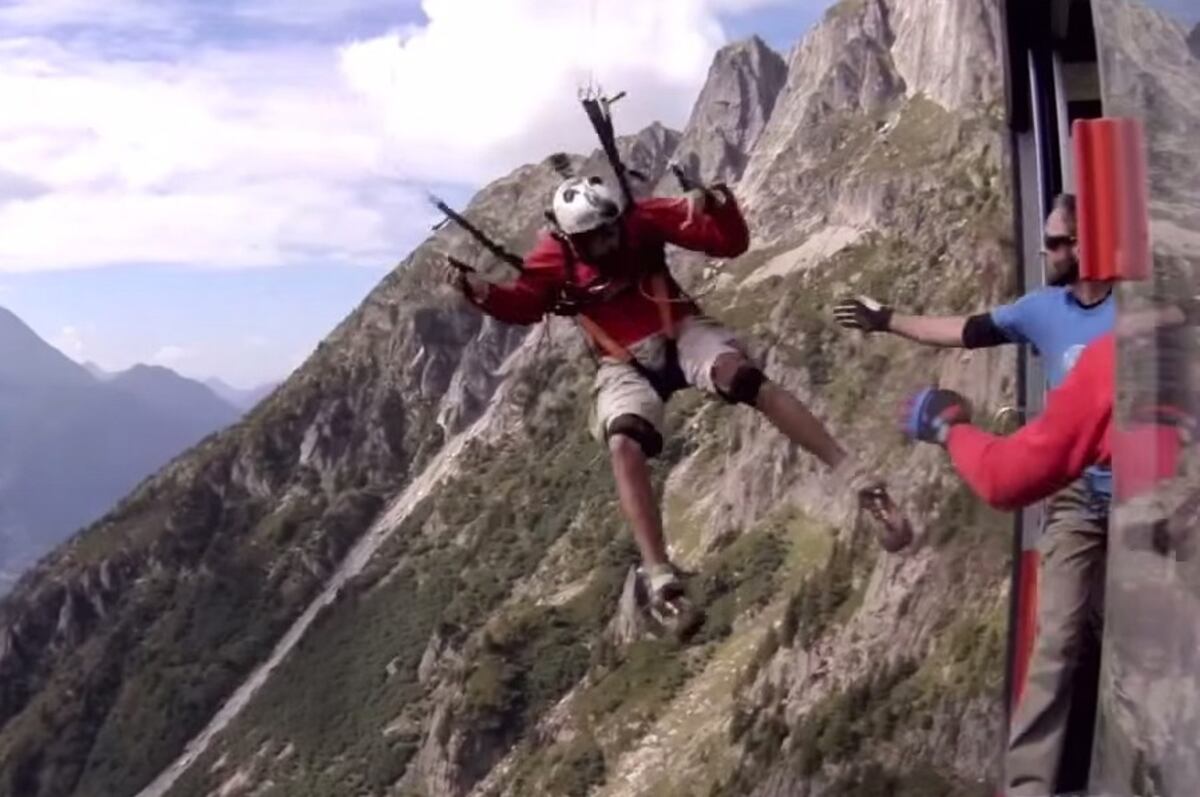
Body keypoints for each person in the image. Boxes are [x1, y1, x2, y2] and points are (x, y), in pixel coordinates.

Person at [446, 175, 911, 622]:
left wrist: (716, 202)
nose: (607, 246)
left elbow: (728, 243)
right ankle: (659, 573)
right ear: (570, 240)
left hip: (680, 331)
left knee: (746, 380)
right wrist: (483, 293)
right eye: (595, 242)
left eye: (609, 234)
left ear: (616, 221)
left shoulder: (641, 219)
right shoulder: (553, 257)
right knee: (623, 443)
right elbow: (526, 304)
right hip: (623, 362)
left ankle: (859, 479)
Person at [835, 194, 1113, 795]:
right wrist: (888, 320)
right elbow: (964, 332)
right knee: (1059, 637)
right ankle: (1032, 786)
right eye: (1047, 240)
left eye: (1059, 241)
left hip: (1145, 494)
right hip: (1079, 498)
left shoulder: (1133, 310)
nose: (1048, 251)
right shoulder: (1044, 311)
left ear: (1090, 243)